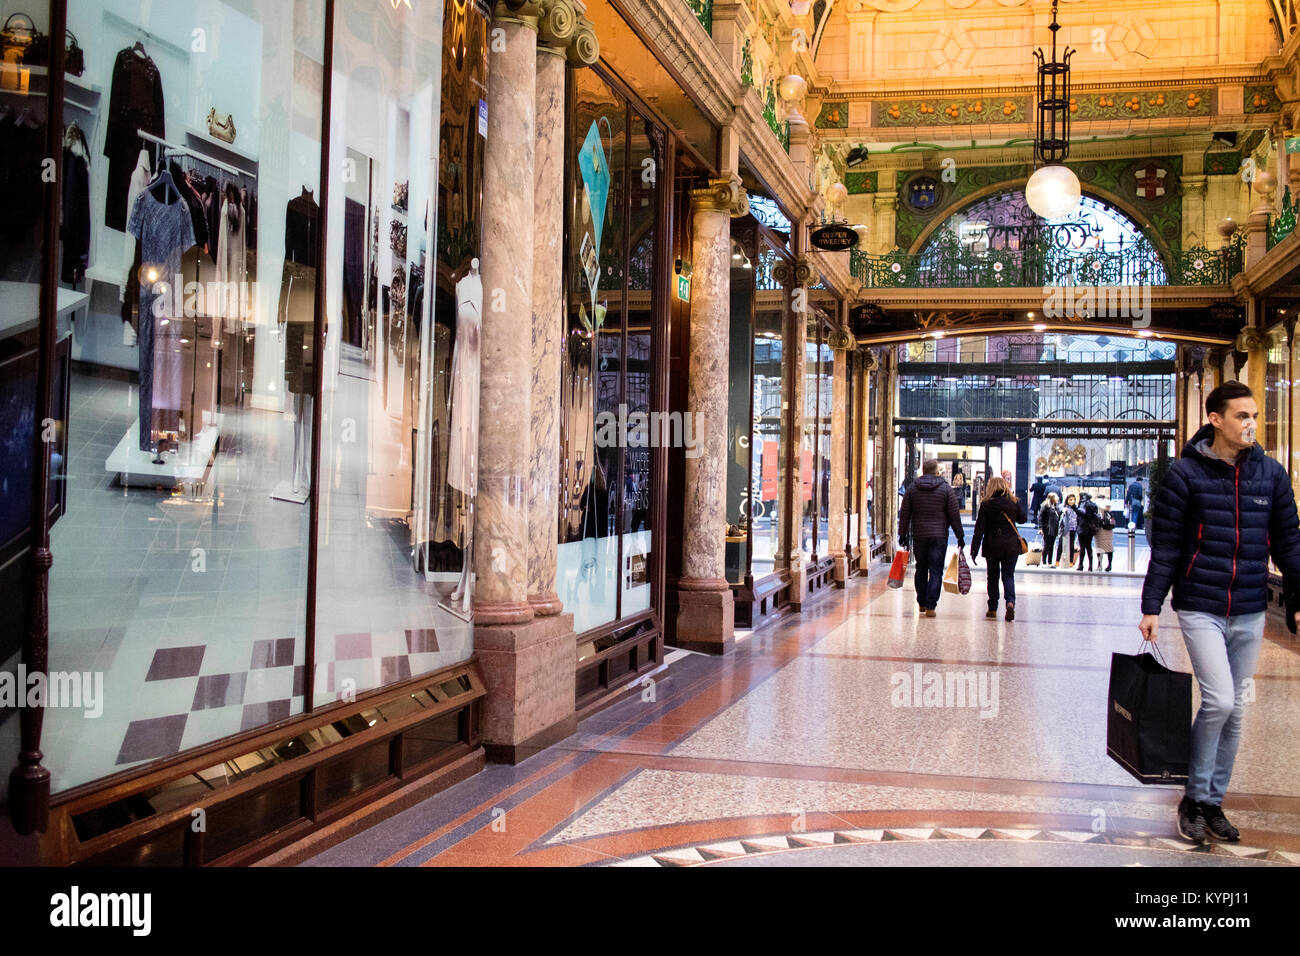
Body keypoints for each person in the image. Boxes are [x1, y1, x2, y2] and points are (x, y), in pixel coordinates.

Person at [1140, 381, 1300, 845]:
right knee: (1221, 700)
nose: (1251, 423)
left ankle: (1212, 801)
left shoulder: (1270, 475)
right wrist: (1152, 605)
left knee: (1236, 712)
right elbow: (1167, 545)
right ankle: (1192, 798)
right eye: (1242, 415)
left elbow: (1289, 542)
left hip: (1249, 607)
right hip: (1199, 605)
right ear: (1215, 419)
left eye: (1254, 415)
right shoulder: (1186, 475)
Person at [898, 458, 965, 618]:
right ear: (937, 471)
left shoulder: (913, 488)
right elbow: (954, 515)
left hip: (920, 535)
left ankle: (921, 601)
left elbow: (905, 512)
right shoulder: (946, 489)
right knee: (935, 570)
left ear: (923, 470)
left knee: (921, 568)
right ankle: (930, 606)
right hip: (939, 536)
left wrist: (902, 534)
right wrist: (960, 536)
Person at [971, 476, 1028, 620]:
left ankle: (992, 608)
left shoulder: (986, 504)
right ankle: (1010, 602)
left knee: (993, 576)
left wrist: (974, 550)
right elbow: (1023, 519)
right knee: (1008, 576)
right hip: (1010, 546)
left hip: (992, 545)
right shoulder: (1013, 502)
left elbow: (979, 529)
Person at [1038, 492, 1062, 570]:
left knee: (1051, 545)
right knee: (1047, 545)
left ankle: (1050, 562)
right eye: (1056, 498)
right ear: (1052, 498)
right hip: (1047, 528)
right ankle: (1044, 562)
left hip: (1054, 529)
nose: (1057, 499)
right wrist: (1040, 528)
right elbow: (1040, 517)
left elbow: (1058, 515)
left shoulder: (1055, 506)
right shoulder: (1045, 506)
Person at [1076, 494, 1098, 571]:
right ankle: (1090, 565)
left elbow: (1081, 515)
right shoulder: (1093, 505)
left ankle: (1081, 564)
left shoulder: (1082, 504)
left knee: (1082, 547)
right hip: (1090, 528)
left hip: (1082, 527)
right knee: (1088, 547)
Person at [1094, 500, 1116, 571]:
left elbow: (1097, 521)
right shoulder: (1110, 512)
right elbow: (1113, 523)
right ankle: (1110, 565)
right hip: (1109, 532)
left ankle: (1099, 564)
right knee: (1109, 548)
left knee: (1100, 549)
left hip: (1100, 532)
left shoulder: (1099, 510)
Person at [1060, 492, 1080, 567]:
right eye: (1070, 500)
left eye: (1073, 500)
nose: (1072, 501)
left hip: (1073, 528)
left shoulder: (1076, 507)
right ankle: (1061, 561)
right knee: (1063, 544)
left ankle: (1071, 561)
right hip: (1065, 528)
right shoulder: (1063, 507)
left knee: (1071, 544)